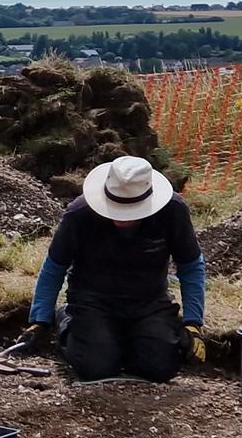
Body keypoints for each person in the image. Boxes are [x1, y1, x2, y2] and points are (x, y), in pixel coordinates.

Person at [19, 156, 208, 382]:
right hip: (92, 302)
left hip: (149, 303)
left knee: (160, 368)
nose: (121, 218)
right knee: (94, 368)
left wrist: (193, 322)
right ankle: (66, 321)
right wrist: (40, 319)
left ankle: (126, 341)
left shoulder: (173, 211)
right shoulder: (79, 213)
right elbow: (54, 267)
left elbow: (191, 266)